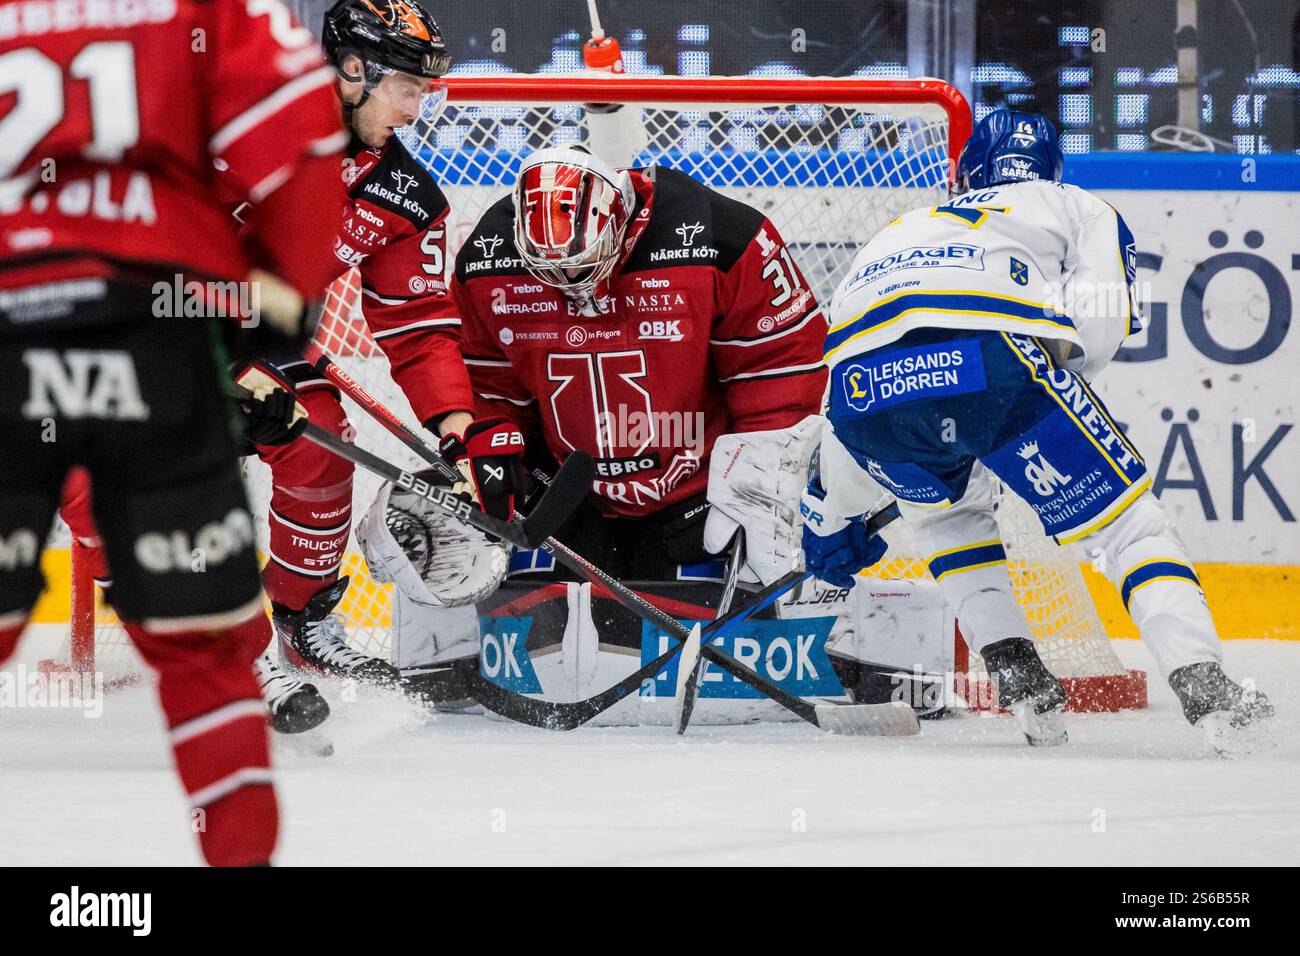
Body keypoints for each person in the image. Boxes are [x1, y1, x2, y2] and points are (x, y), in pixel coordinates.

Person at [799, 108, 1274, 752]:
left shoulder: (904, 227)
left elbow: (841, 391)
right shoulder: (1074, 204)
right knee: (1129, 528)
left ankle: (1024, 686)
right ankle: (1207, 689)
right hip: (993, 364)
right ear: (1052, 168)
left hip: (862, 398)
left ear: (964, 173)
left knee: (948, 523)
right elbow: (1097, 325)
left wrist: (830, 528)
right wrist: (1022, 401)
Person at [0, 0, 349, 864]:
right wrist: (276, 311)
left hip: (11, 325)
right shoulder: (204, 10)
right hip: (154, 333)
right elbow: (302, 135)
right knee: (205, 659)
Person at [241, 0, 523, 685]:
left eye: (424, 92)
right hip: (152, 338)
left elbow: (419, 323)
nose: (415, 110)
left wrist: (459, 432)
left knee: (321, 443)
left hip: (263, 349)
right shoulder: (242, 132)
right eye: (406, 88)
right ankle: (211, 641)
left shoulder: (404, 195)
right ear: (352, 70)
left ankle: (301, 621)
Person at [450, 143, 828, 587]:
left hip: (704, 492)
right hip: (568, 497)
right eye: (547, 273)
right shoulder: (485, 264)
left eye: (581, 267)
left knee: (698, 636)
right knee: (546, 637)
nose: (570, 286)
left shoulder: (721, 237)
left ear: (619, 226)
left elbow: (774, 368)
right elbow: (488, 383)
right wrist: (501, 453)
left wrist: (757, 482)